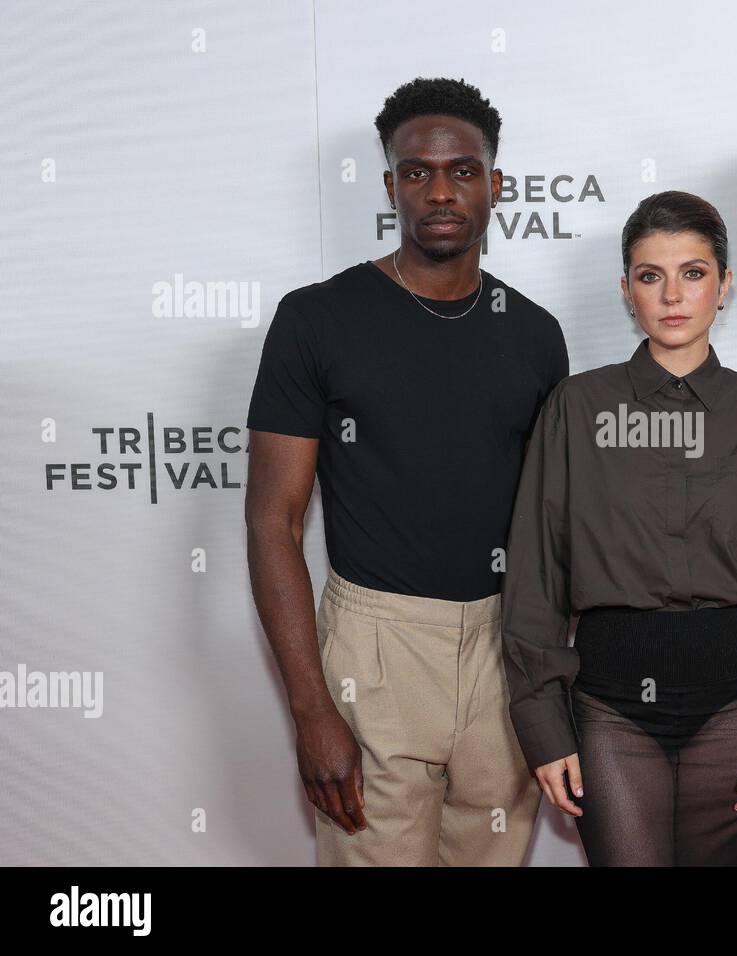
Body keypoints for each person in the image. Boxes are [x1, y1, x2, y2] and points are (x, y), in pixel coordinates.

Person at [245, 77, 567, 866]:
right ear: (390, 185)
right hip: (374, 650)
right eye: (417, 172)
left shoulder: (534, 335)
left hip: (506, 648)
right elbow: (273, 523)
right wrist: (312, 711)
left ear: (495, 183)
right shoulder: (316, 319)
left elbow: (554, 525)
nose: (441, 190)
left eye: (463, 169)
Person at [500, 191, 737, 866]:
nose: (673, 294)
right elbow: (534, 575)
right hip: (610, 709)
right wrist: (543, 725)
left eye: (693, 273)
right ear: (626, 290)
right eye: (650, 275)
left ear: (724, 285)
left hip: (736, 707)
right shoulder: (575, 408)